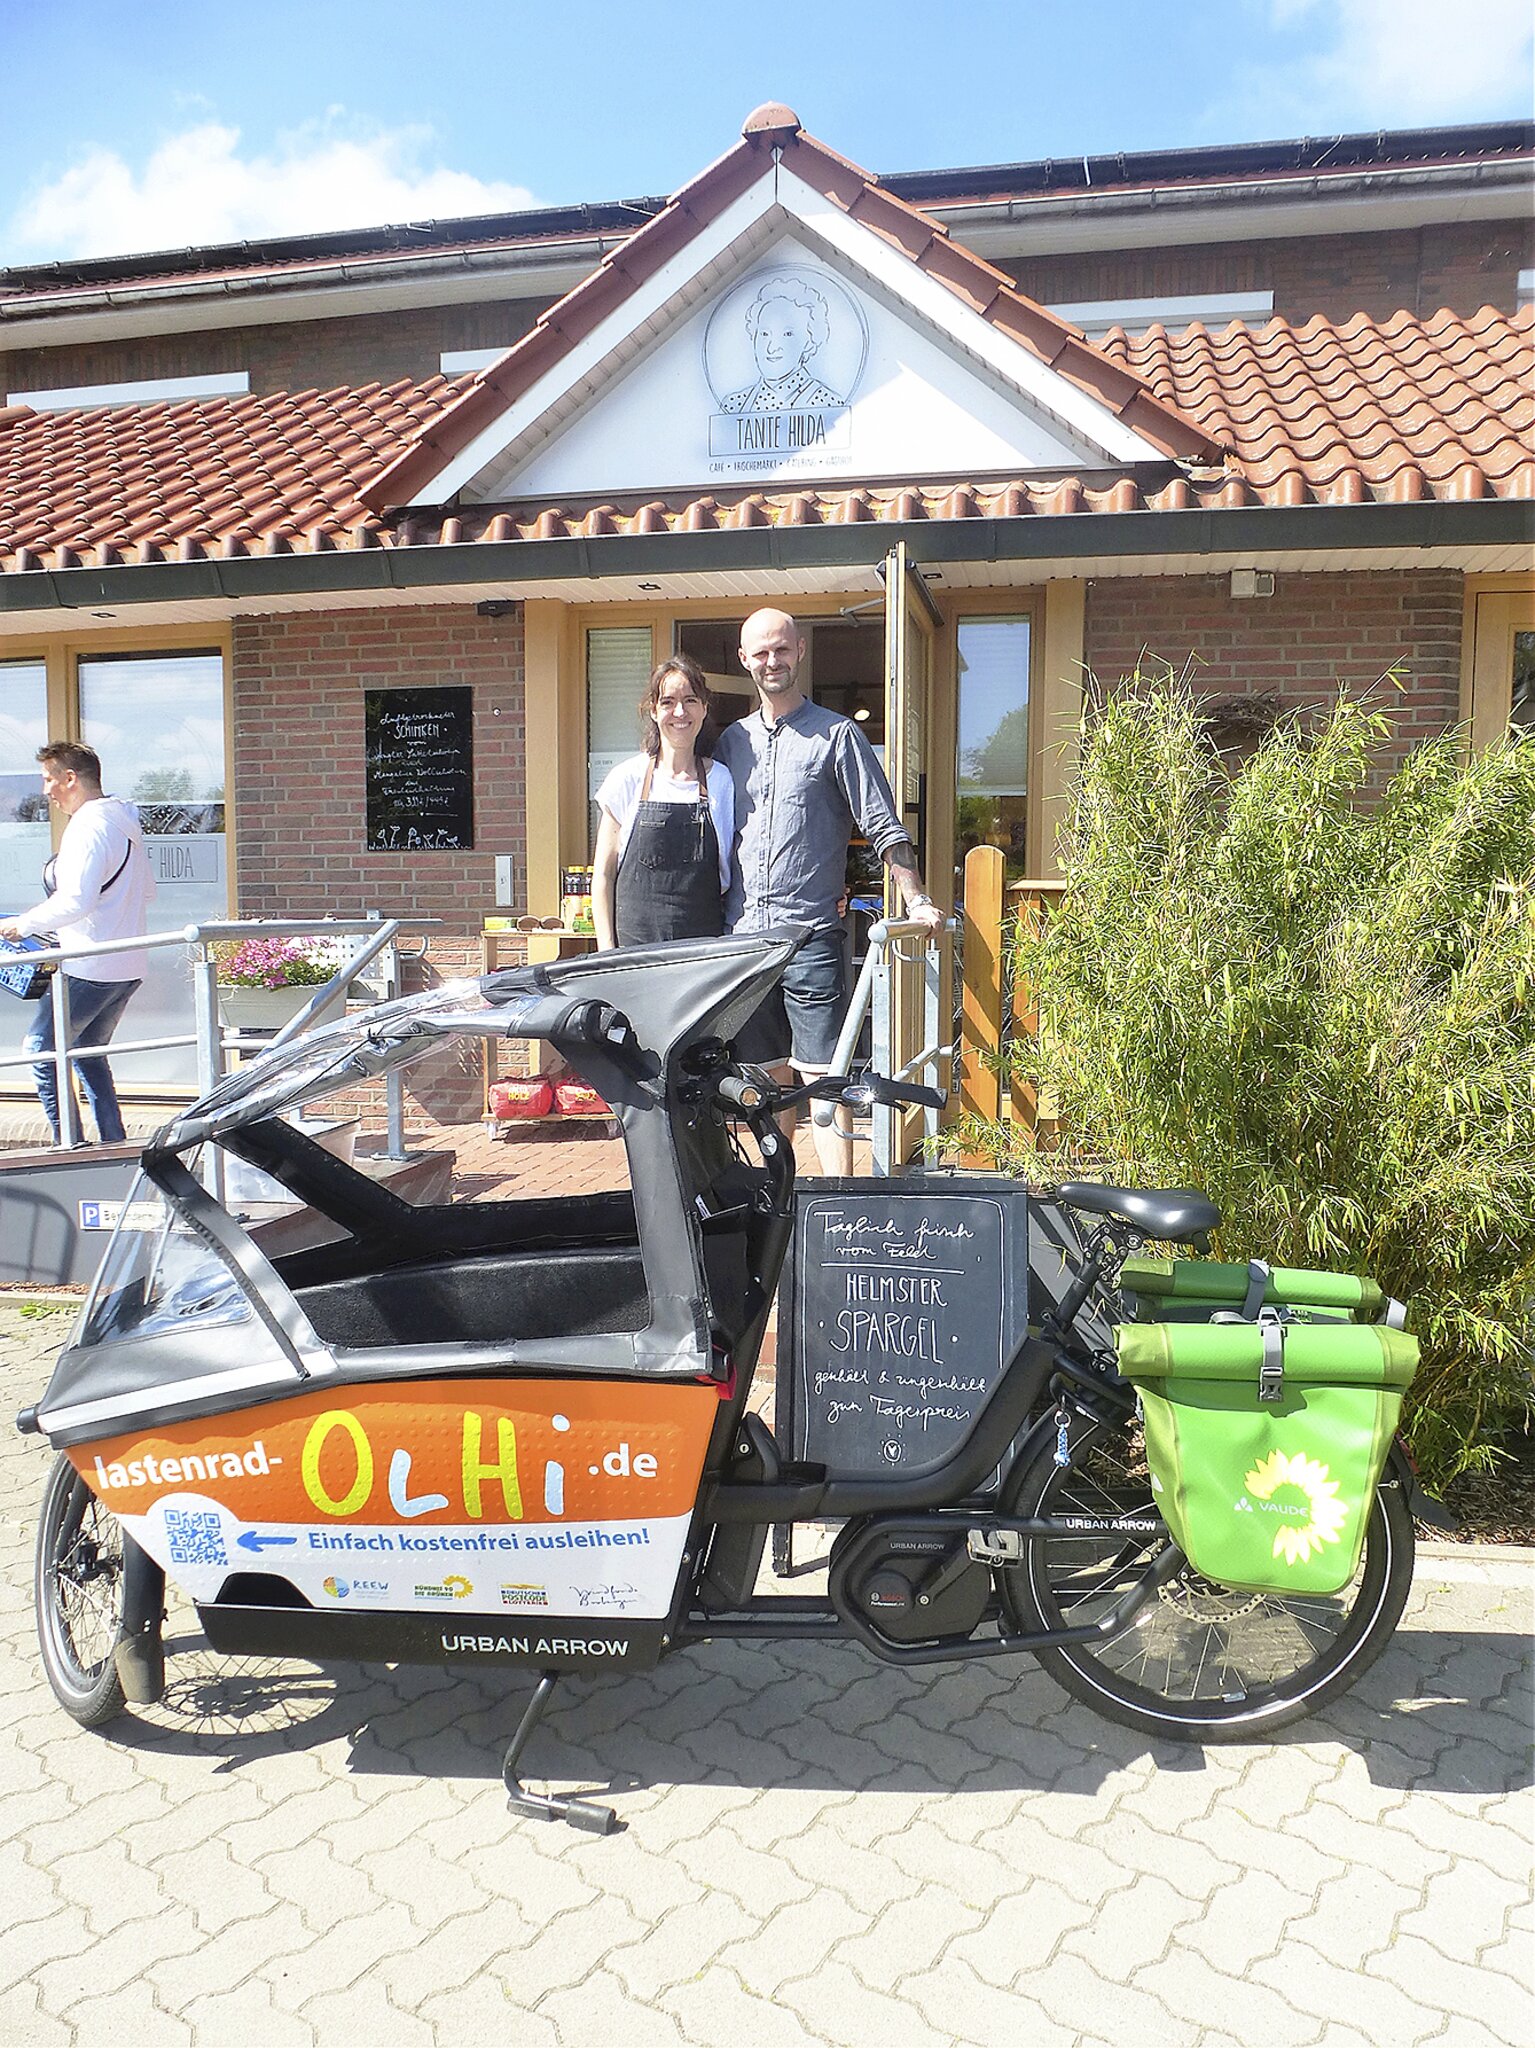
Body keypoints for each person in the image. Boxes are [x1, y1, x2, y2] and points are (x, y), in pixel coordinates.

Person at [715, 608, 945, 1175]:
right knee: (765, 1081)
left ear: (799, 652)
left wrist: (915, 898)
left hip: (812, 937)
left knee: (823, 1076)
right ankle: (780, 1201)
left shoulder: (837, 735)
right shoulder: (727, 743)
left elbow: (882, 822)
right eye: (760, 653)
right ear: (744, 660)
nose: (772, 661)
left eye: (781, 650)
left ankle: (841, 1207)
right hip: (743, 943)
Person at [0, 743, 153, 1146]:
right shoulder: (125, 822)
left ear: (71, 778)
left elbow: (76, 900)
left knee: (40, 1049)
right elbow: (146, 893)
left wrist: (22, 924)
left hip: (89, 966)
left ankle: (68, 1144)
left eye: (50, 779)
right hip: (127, 964)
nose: (47, 791)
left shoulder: (87, 826)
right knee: (86, 1049)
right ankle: (113, 1142)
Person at [591, 654, 736, 950]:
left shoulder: (722, 781)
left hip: (702, 953)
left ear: (704, 708)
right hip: (634, 955)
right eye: (668, 701)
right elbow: (603, 876)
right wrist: (607, 956)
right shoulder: (626, 779)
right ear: (654, 711)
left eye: (691, 700)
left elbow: (735, 872)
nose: (679, 712)